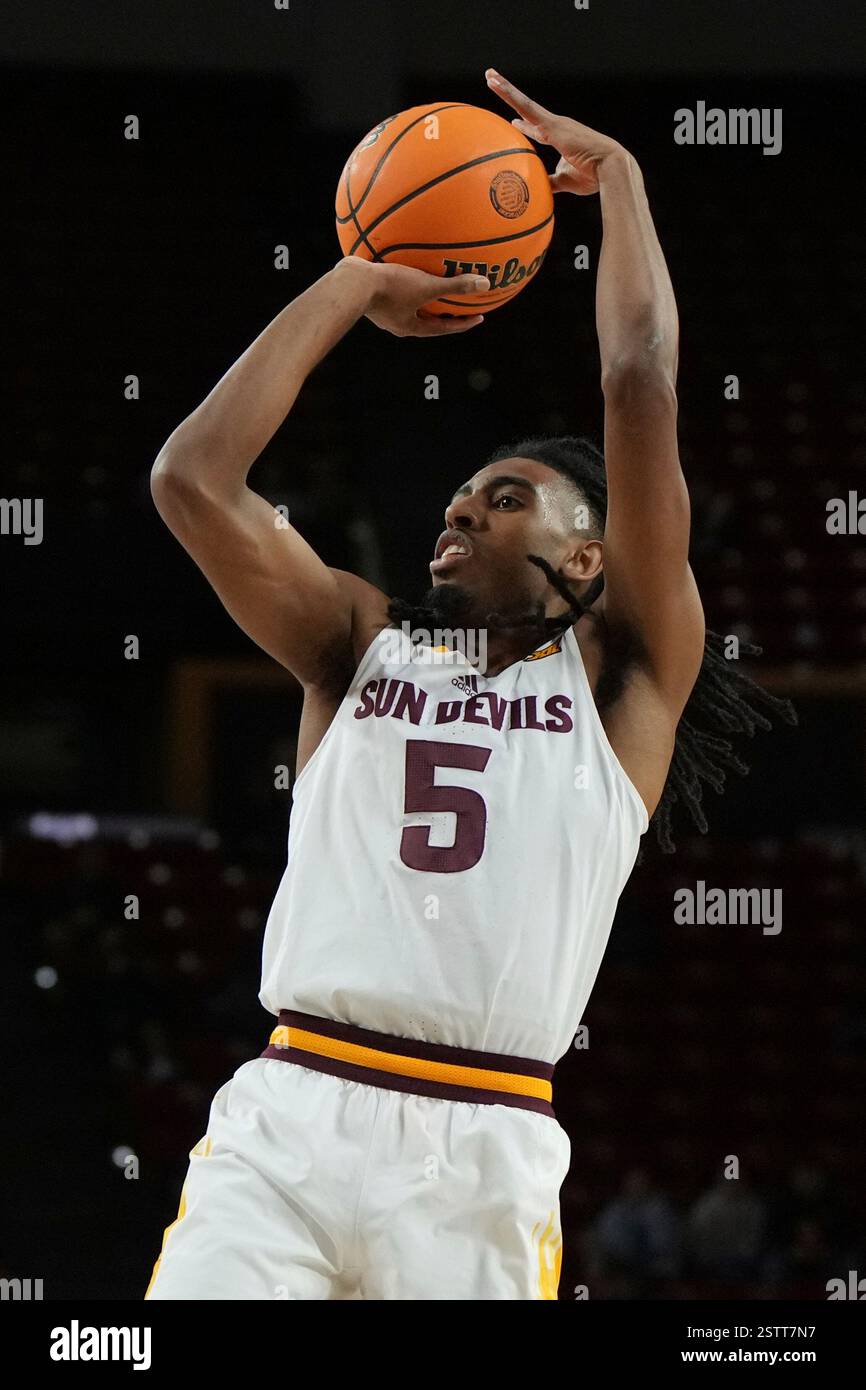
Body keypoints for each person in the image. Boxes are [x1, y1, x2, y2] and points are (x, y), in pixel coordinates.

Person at [144, 71, 793, 1300]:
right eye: (455, 496)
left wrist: (625, 191)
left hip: (480, 1145)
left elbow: (638, 380)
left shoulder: (624, 683)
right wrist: (357, 279)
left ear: (587, 556)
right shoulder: (355, 642)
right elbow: (192, 480)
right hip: (289, 1111)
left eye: (504, 499)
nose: (459, 510)